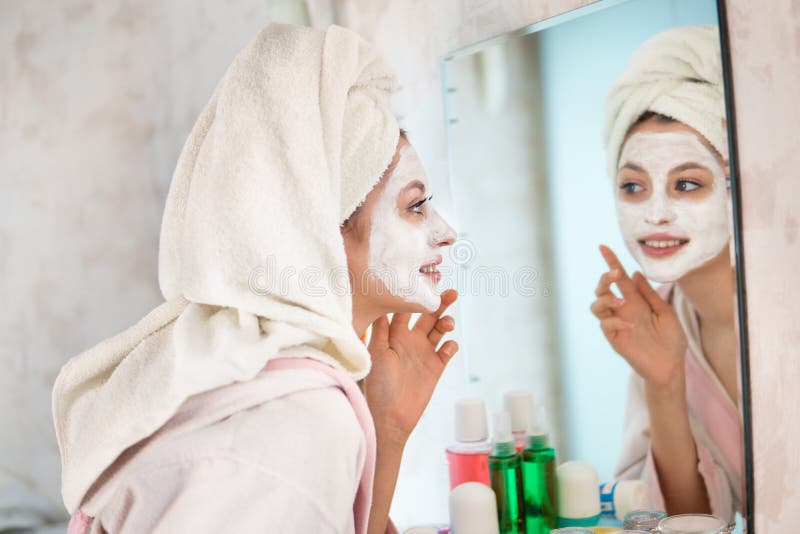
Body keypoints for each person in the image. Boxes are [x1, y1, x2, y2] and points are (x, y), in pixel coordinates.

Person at [52, 23, 457, 534]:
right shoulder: (293, 420)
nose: (447, 234)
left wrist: (388, 430)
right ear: (316, 232)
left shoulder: (267, 381)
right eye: (415, 206)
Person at [591, 25, 743, 522]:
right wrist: (664, 381)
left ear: (734, 190)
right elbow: (692, 521)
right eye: (633, 186)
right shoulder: (659, 320)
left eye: (686, 183)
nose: (655, 214)